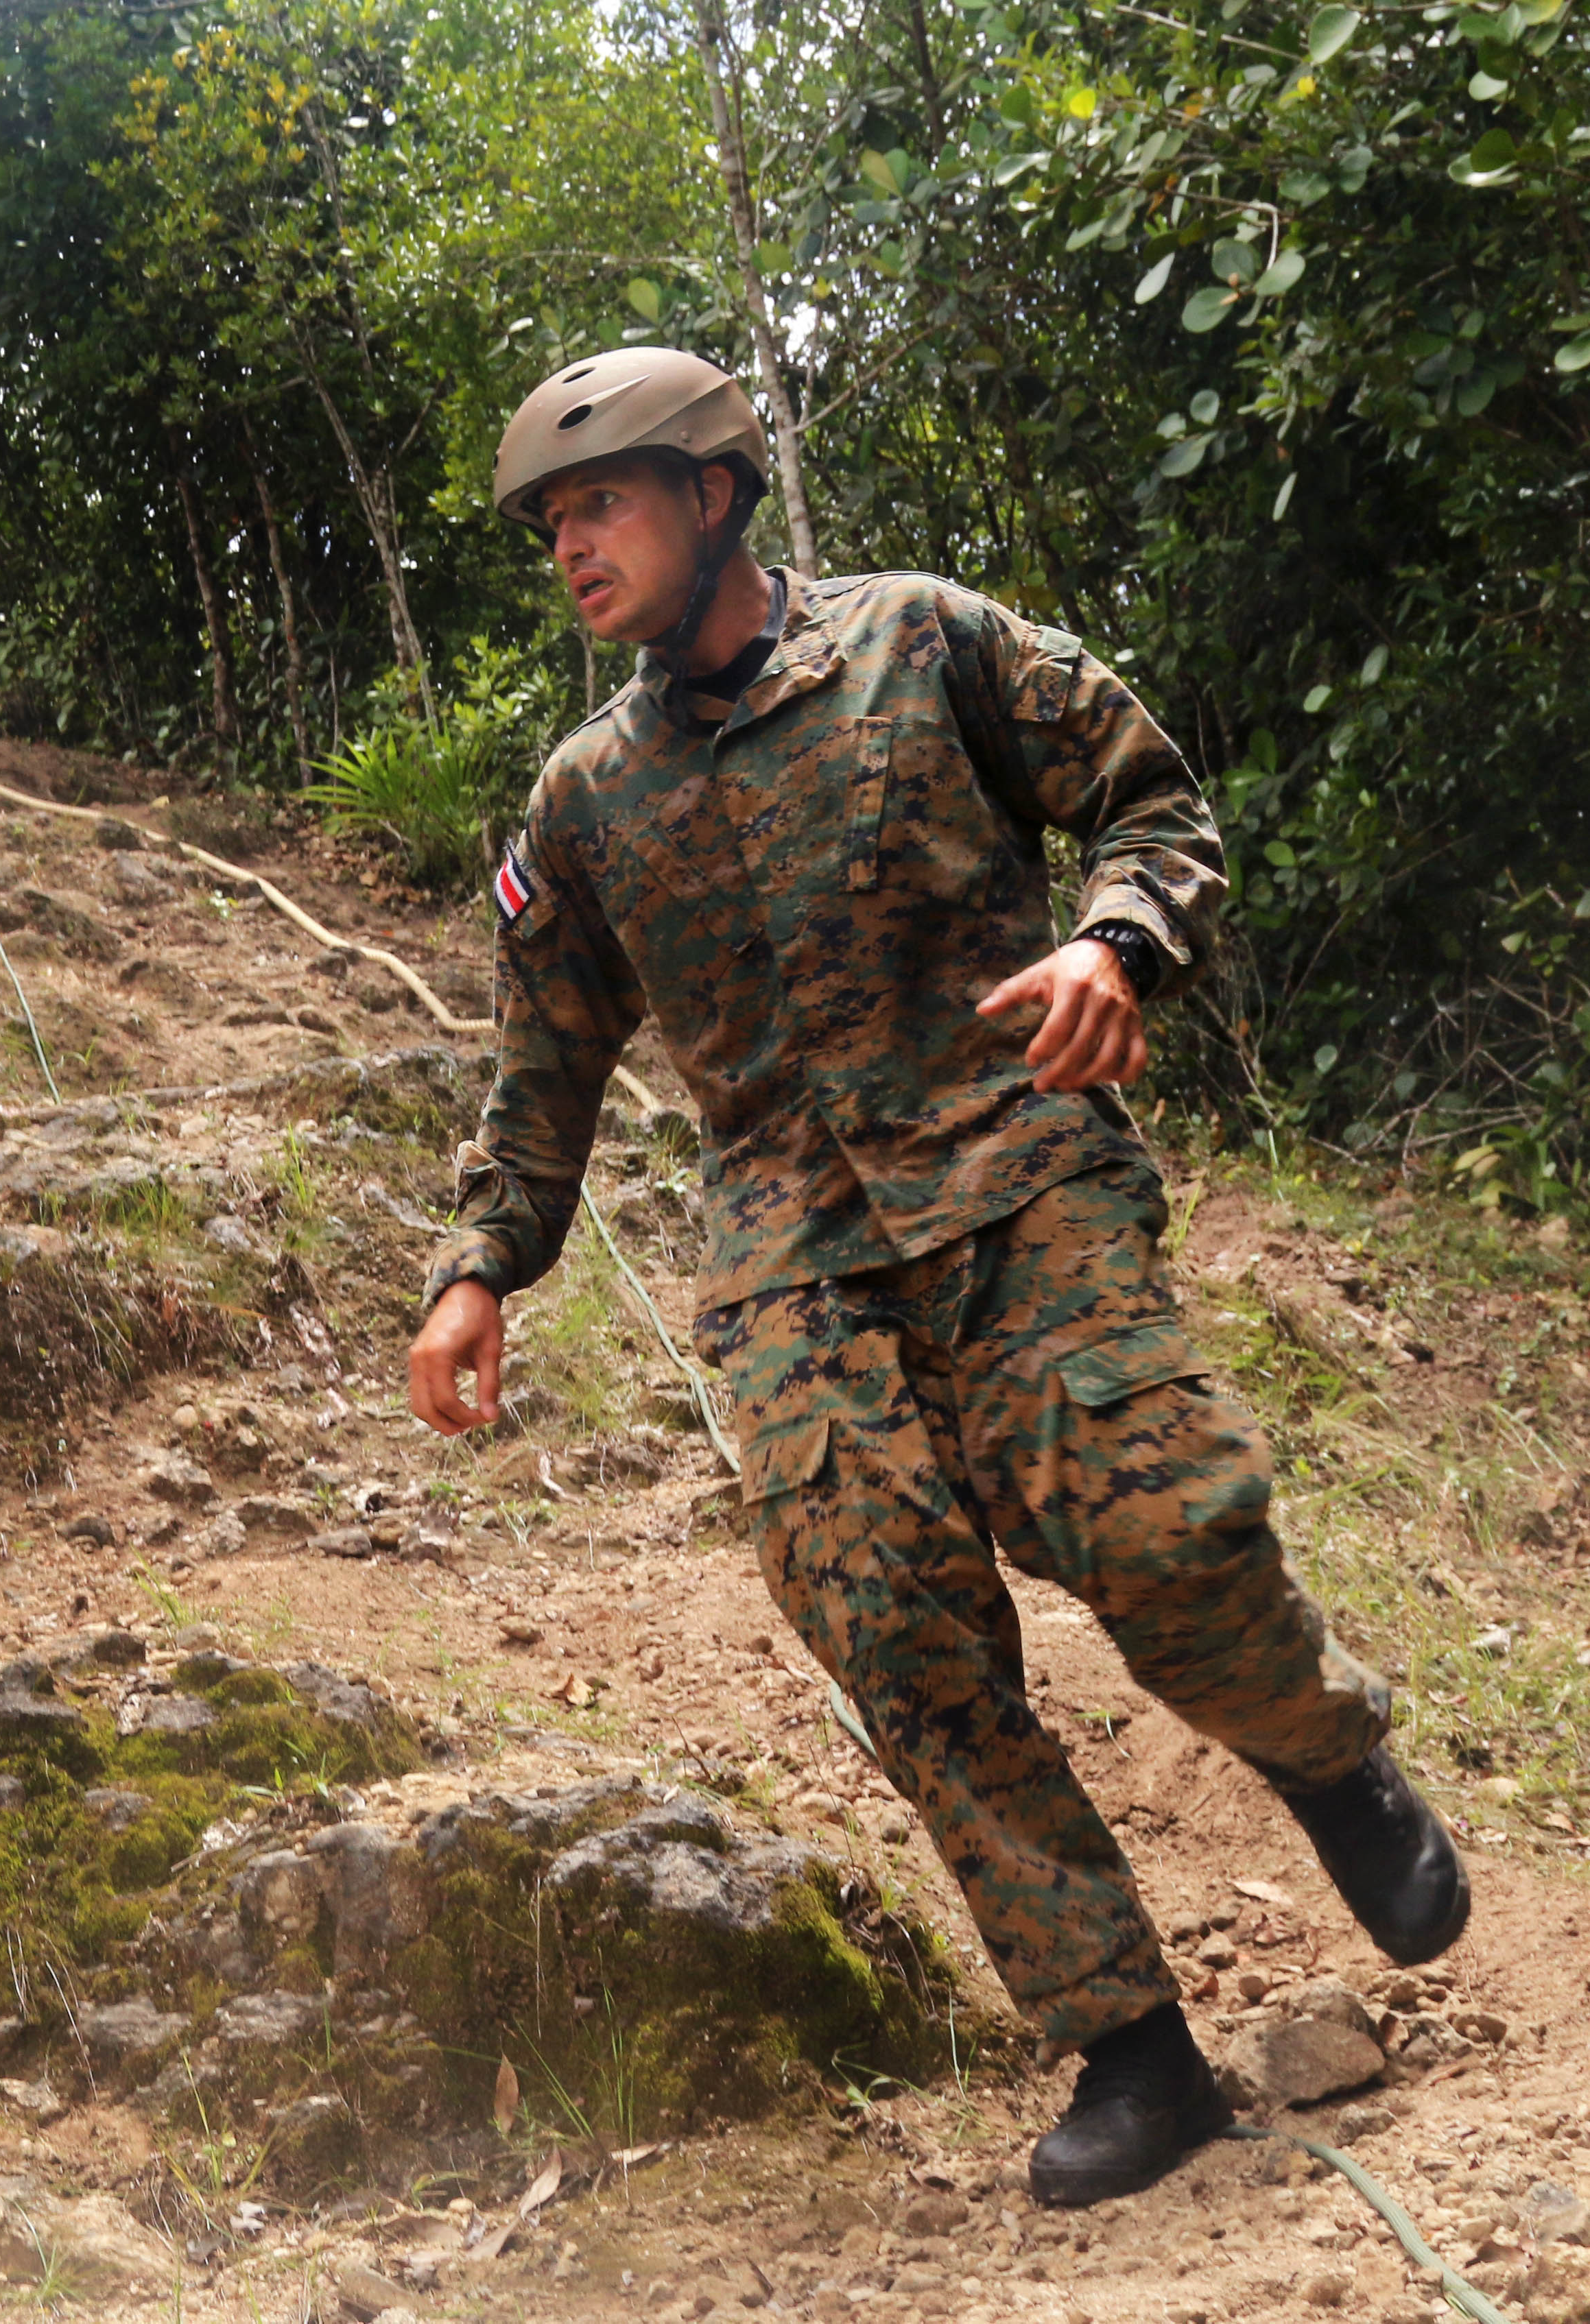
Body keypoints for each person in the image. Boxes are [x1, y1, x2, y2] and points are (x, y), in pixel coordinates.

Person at [410, 346, 1466, 2206]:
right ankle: (1131, 2047)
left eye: (600, 503)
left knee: (1160, 1535)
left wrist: (1118, 947)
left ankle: (1321, 1756)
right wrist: (482, 1266)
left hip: (1019, 1175)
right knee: (893, 1630)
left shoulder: (923, 638)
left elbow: (1153, 801)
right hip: (785, 1266)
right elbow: (542, 1053)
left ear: (714, 492)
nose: (568, 543)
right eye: (551, 520)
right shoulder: (582, 795)